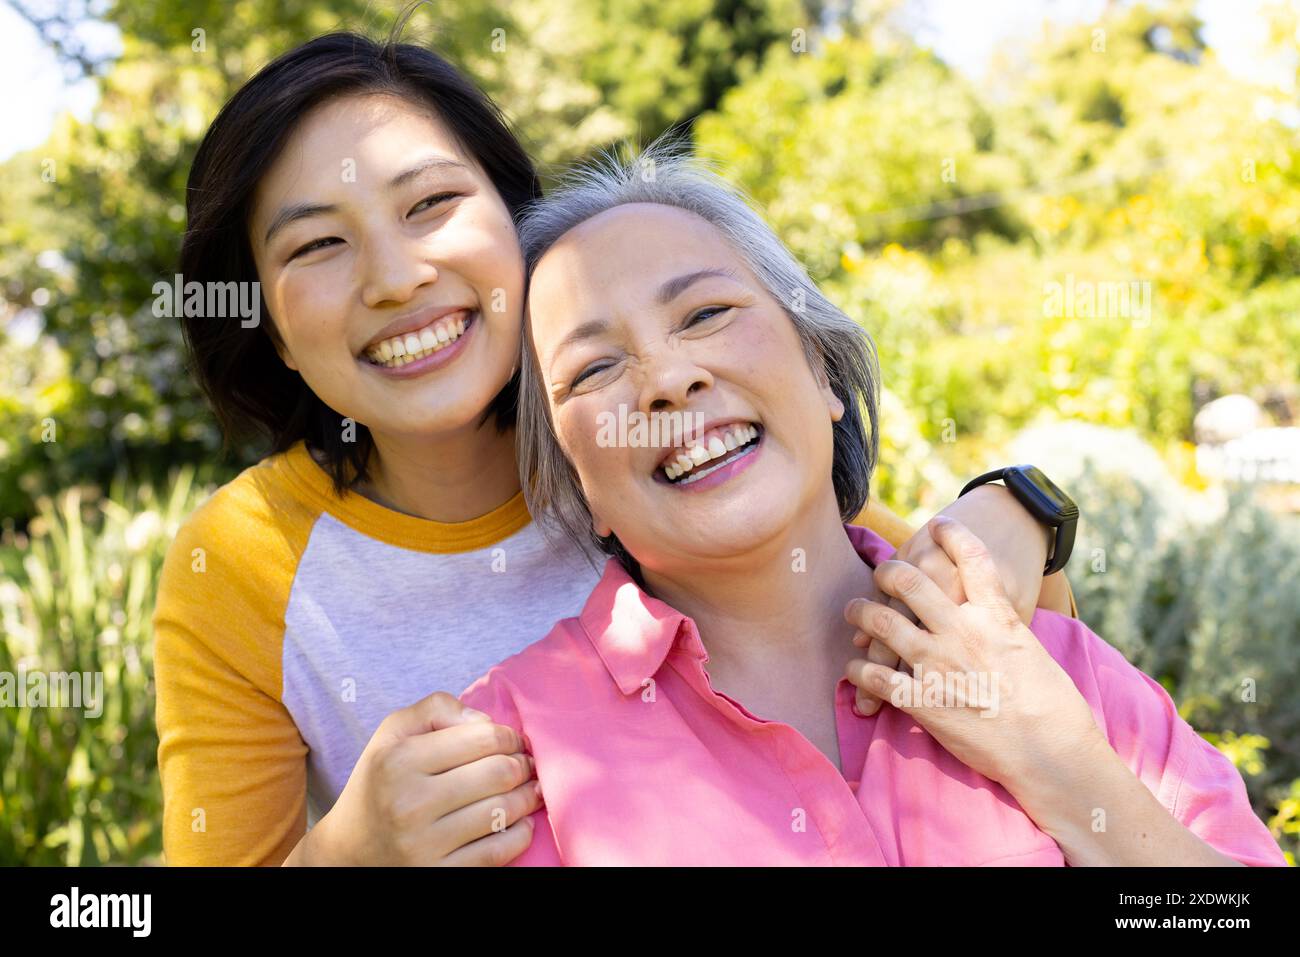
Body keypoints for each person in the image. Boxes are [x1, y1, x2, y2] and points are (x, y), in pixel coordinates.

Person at [155, 32, 1073, 867]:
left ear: (514, 224)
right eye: (317, 245)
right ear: (268, 324)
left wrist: (1022, 507)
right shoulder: (242, 566)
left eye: (430, 202)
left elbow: (925, 586)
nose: (397, 279)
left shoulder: (644, 449)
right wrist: (344, 858)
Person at [458, 146, 1287, 866]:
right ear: (575, 483)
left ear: (822, 371)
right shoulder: (507, 756)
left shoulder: (1042, 660)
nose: (668, 379)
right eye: (596, 369)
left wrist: (1060, 766)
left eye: (706, 314)